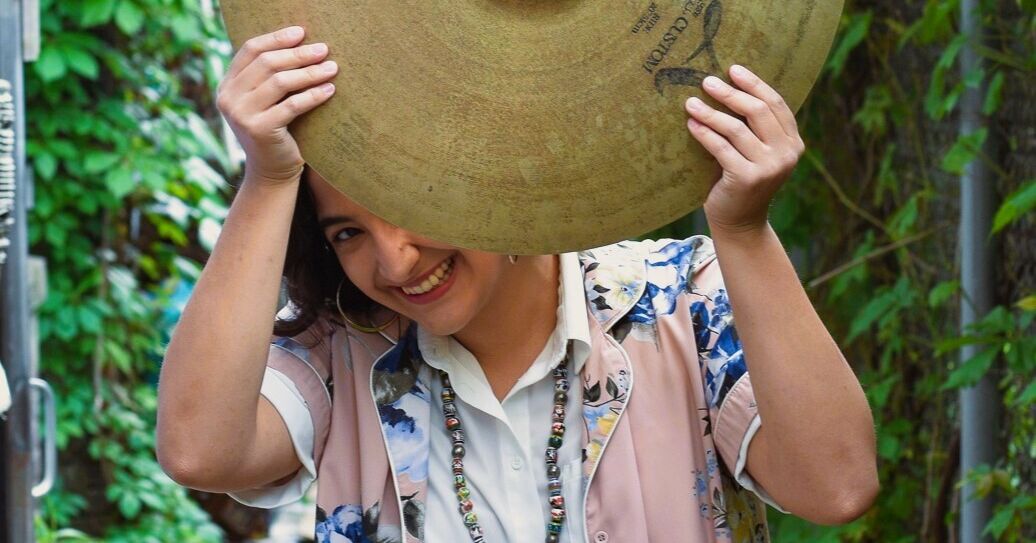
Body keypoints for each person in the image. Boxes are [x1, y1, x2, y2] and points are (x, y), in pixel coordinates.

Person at [156, 24, 878, 543]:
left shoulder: (678, 300)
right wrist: (269, 176)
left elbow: (837, 486)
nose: (397, 262)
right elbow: (198, 450)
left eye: (416, 209)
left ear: (494, 178)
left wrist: (746, 233)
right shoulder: (340, 352)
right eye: (348, 233)